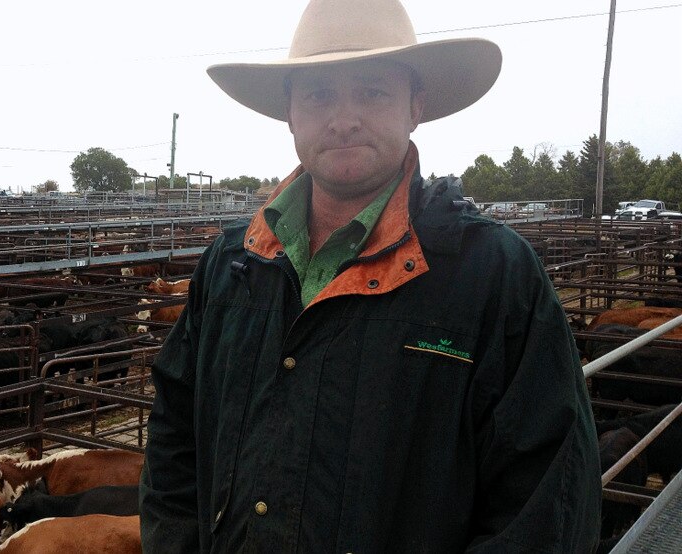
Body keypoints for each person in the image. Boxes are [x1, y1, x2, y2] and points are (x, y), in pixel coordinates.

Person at [139, 0, 602, 552]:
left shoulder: (494, 275)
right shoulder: (231, 265)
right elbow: (173, 441)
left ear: (416, 106)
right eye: (317, 94)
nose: (343, 118)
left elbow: (545, 503)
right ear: (290, 113)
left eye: (372, 91)